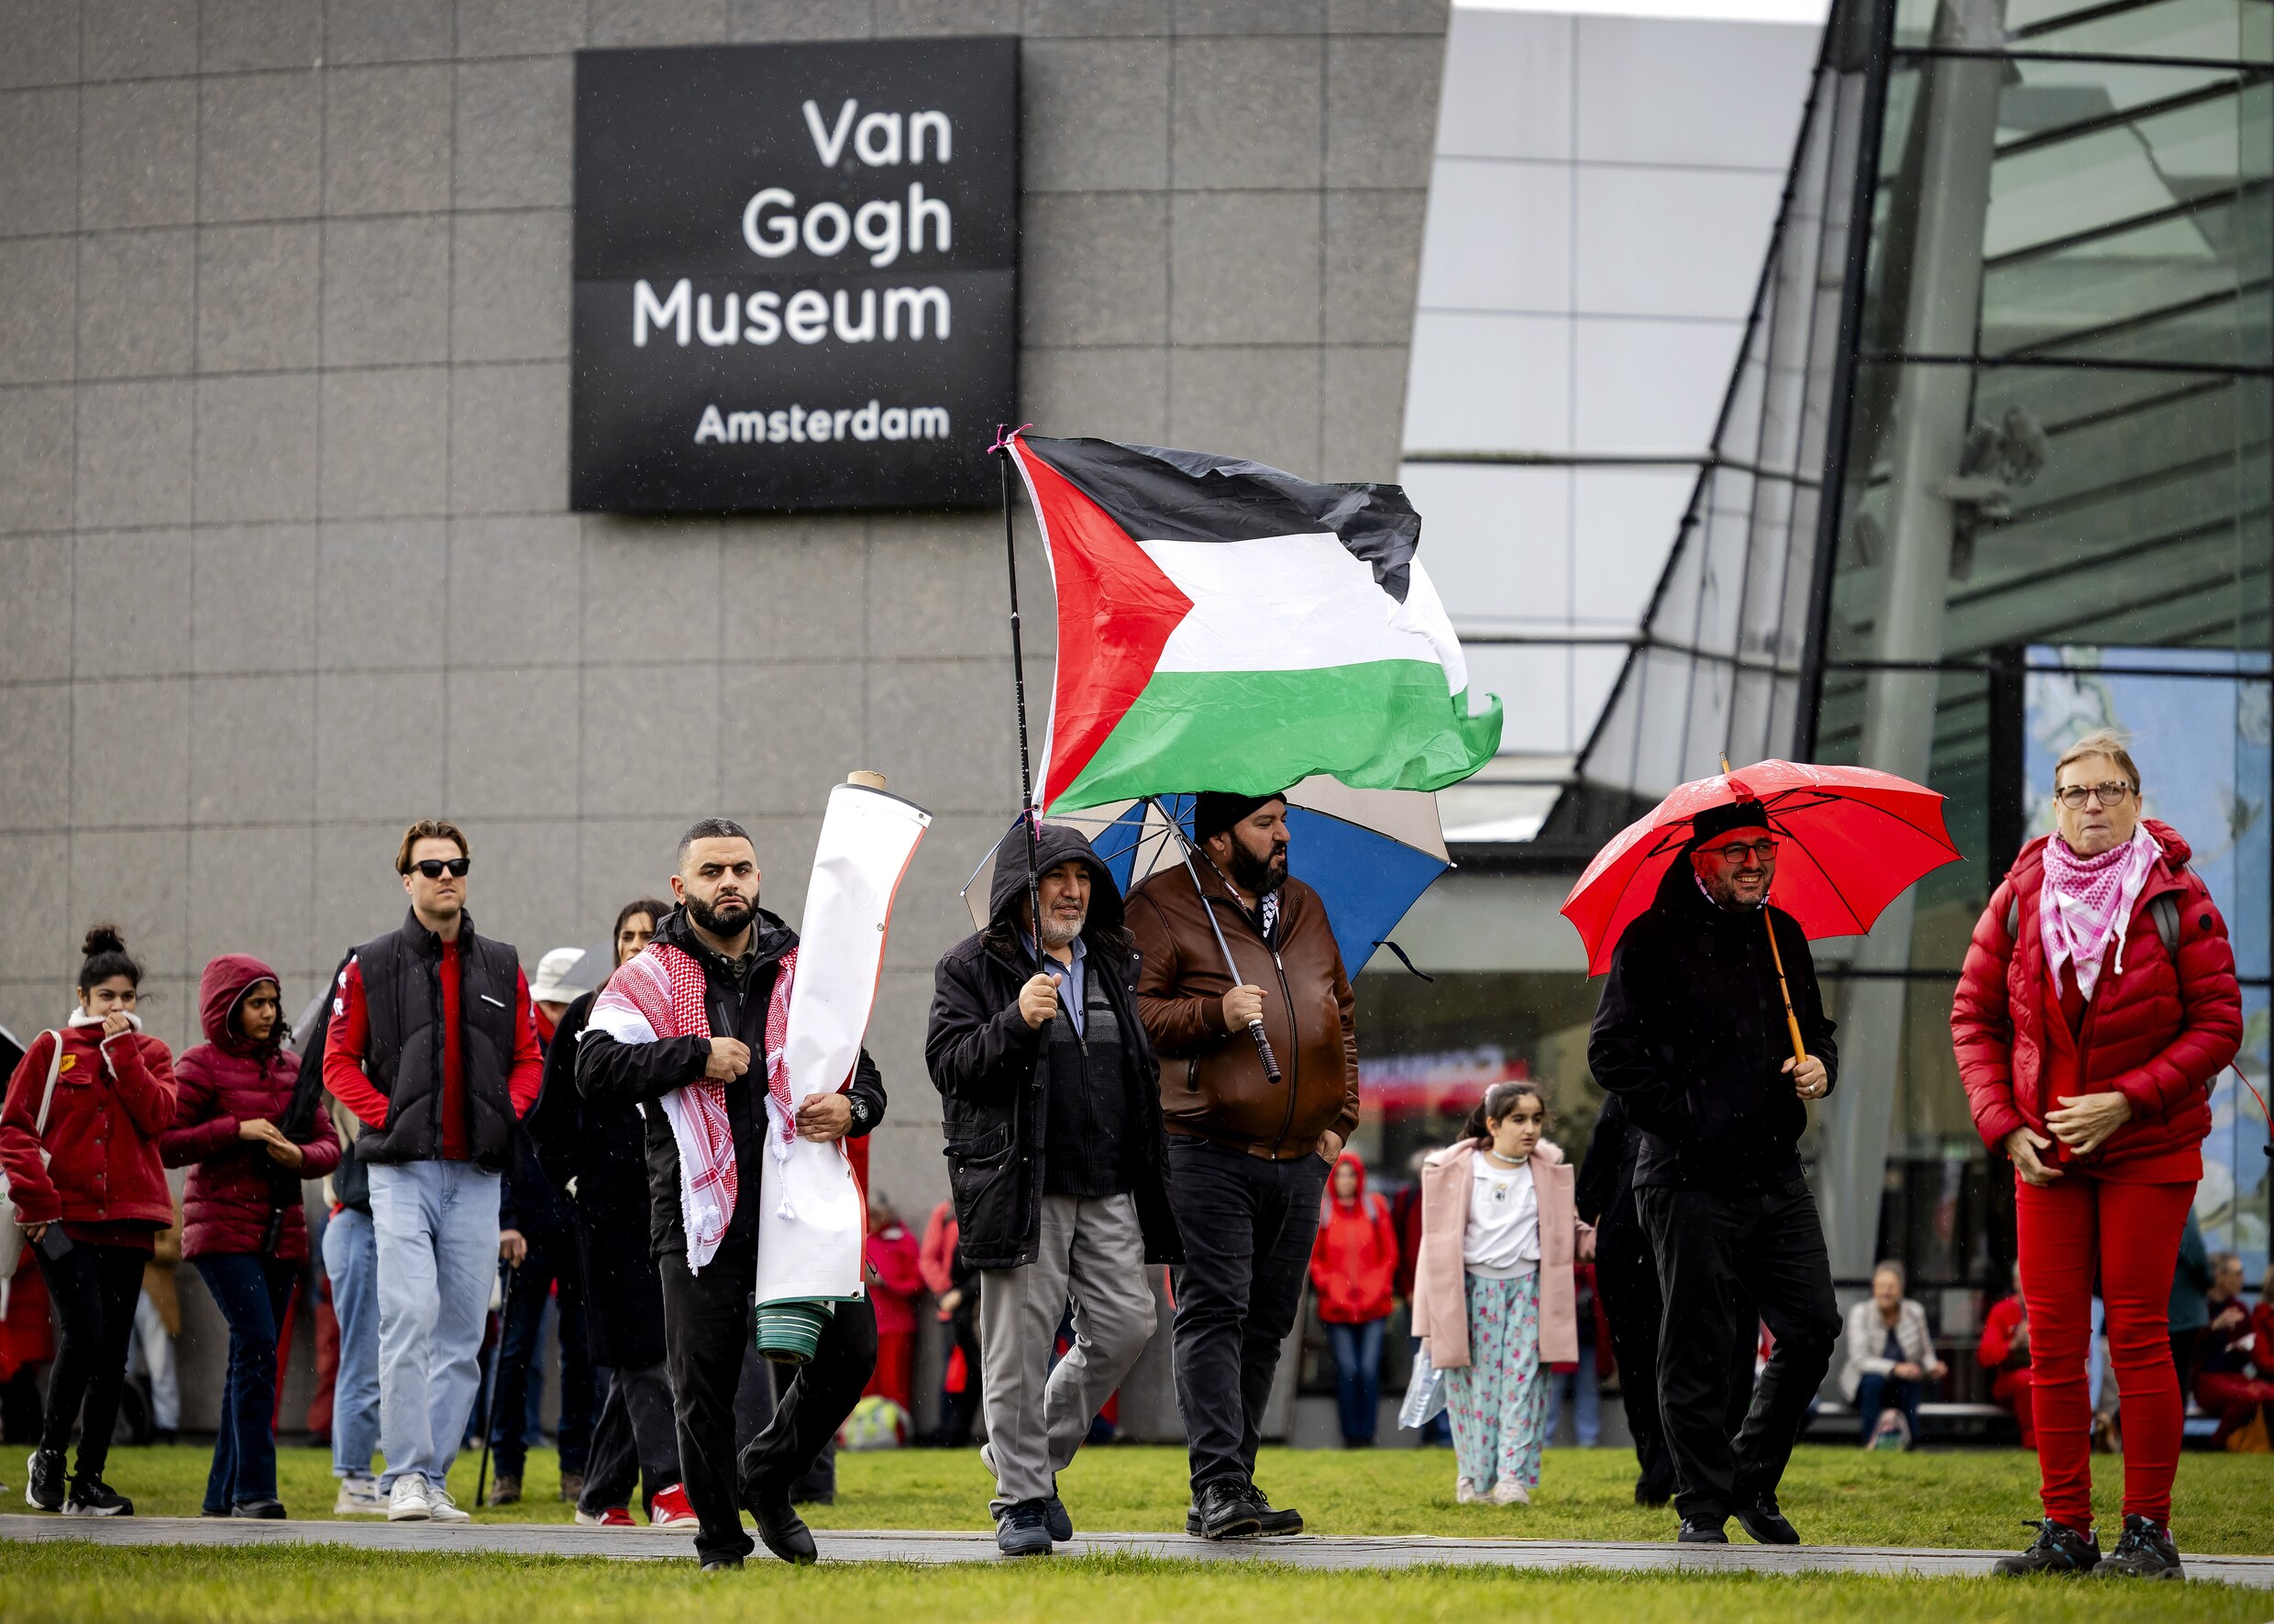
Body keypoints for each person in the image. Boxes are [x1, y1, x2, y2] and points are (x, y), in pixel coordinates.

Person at [1952, 730, 2241, 1578]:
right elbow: (1975, 1017)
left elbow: (2219, 1023)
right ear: (2055, 803)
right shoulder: (2017, 896)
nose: (2092, 804)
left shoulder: (2178, 895)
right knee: (2053, 1344)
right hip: (2044, 1155)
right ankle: (2066, 1530)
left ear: (2136, 800)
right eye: (2075, 791)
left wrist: (2128, 1098)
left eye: (2109, 789)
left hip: (2149, 1145)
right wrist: (2003, 1124)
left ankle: (2148, 1534)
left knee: (2141, 1336)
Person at [579, 820, 886, 1571]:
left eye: (742, 868)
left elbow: (865, 1075)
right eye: (712, 870)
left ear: (758, 879)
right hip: (696, 1210)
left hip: (797, 1209)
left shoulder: (801, 969)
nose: (730, 881)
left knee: (852, 1349)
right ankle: (721, 1540)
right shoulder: (649, 975)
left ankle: (769, 1473)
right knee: (702, 1386)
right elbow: (593, 1069)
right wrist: (693, 1055)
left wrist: (854, 1110)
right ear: (682, 889)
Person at [1588, 799, 1841, 1546]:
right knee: (1695, 1344)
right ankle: (1702, 1504)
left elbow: (1819, 1027)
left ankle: (1750, 1475)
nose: (1753, 863)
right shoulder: (1652, 939)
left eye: (1764, 848)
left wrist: (1821, 1064)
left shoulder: (1782, 932)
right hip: (1687, 1176)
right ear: (1701, 859)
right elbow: (1610, 1053)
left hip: (1775, 1171)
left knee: (1814, 1325)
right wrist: (1692, 1116)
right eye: (1736, 850)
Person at [926, 822, 1180, 1555]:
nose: (1073, 890)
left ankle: (1021, 1454)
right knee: (1017, 1347)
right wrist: (1014, 1020)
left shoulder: (1112, 958)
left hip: (1107, 1182)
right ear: (1020, 887)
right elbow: (950, 1064)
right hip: (1018, 1182)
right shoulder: (970, 967)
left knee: (1129, 1323)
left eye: (1083, 877)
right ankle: (1022, 1496)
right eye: (1055, 876)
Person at [1126, 791, 1358, 1541]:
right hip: (1204, 1150)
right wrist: (1214, 1014)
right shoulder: (1159, 906)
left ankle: (1233, 1485)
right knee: (1214, 1311)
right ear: (1221, 839)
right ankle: (1219, 1481)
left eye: (1284, 819)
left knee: (1266, 1324)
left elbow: (1341, 1013)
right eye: (1267, 823)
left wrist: (1340, 1121)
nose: (1284, 834)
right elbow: (1134, 1016)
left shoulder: (1305, 905)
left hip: (1300, 1157)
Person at [323, 819, 546, 1523]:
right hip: (401, 1171)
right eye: (430, 866)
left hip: (478, 1173)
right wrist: (386, 1113)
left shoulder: (503, 963)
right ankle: (405, 1475)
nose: (446, 874)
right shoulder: (369, 963)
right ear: (407, 878)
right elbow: (336, 1062)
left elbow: (531, 1058)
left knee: (459, 1333)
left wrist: (503, 1112)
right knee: (408, 1314)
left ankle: (433, 1477)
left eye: (456, 864)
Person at [2, 925, 178, 1516]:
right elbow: (14, 1127)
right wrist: (37, 1203)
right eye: (107, 997)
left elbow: (158, 1118)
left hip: (130, 1222)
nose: (119, 1008)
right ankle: (49, 1458)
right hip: (62, 1221)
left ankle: (89, 1482)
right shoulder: (51, 1049)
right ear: (83, 997)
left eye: (128, 998)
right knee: (84, 1334)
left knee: (114, 1353)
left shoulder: (151, 1055)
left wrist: (121, 1050)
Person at [532, 899, 693, 1530]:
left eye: (647, 935)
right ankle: (668, 1487)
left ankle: (599, 1494)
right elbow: (547, 1121)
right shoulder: (586, 1015)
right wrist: (577, 1183)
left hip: (677, 1204)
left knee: (646, 1354)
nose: (634, 945)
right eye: (625, 935)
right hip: (609, 1216)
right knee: (644, 1351)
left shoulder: (687, 1016)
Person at [161, 955, 342, 1518]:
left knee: (248, 1353)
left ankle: (220, 1497)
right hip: (219, 1232)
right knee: (260, 1345)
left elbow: (329, 1145)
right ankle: (255, 1491)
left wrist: (298, 1155)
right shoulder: (199, 1066)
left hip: (280, 1234)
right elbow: (167, 1142)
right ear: (226, 1008)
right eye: (255, 1003)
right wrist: (233, 1131)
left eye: (271, 1002)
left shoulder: (292, 1069)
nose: (268, 1013)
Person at [1410, 1081, 1592, 1504]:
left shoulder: (1548, 1172)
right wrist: (1427, 1321)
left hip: (1530, 1291)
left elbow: (1571, 1231)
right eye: (1519, 1119)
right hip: (1468, 1294)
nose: (1530, 1129)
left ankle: (1511, 1478)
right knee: (1470, 1387)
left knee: (1523, 1386)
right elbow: (1432, 1249)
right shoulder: (1456, 1170)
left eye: (1537, 1119)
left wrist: (1613, 1240)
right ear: (1493, 1124)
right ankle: (1472, 1478)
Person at [487, 945, 599, 1508]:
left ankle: (576, 1467)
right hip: (527, 1226)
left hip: (579, 1222)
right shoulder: (521, 1047)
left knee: (580, 1349)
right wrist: (506, 1220)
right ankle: (507, 1467)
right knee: (516, 1349)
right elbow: (507, 1139)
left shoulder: (589, 1040)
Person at [1308, 1151, 1398, 1448]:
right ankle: (1351, 1435)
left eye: (1352, 1175)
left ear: (1360, 1179)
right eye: (1342, 1175)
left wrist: (1376, 1288)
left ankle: (1367, 1433)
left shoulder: (1375, 1208)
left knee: (1369, 1370)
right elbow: (1316, 1260)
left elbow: (1389, 1255)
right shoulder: (1325, 1212)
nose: (1347, 1181)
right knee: (1348, 1370)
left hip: (1374, 1308)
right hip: (1337, 1309)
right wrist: (1331, 1288)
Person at [1839, 1261, 1945, 1449]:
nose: (1885, 1292)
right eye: (1881, 1286)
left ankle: (1911, 1442)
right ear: (1874, 1289)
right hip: (1865, 1385)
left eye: (1891, 1286)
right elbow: (1860, 1360)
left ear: (1901, 1290)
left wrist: (1933, 1366)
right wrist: (1895, 1368)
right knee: (1874, 1380)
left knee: (1910, 1378)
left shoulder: (1915, 1311)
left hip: (1902, 1382)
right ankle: (1870, 1441)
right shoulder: (1860, 1313)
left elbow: (1926, 1351)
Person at [2191, 1252, 2274, 1447]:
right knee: (2248, 1398)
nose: (2242, 1279)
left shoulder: (2239, 1307)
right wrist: (2213, 1327)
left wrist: (2244, 1347)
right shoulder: (2200, 1308)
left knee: (2267, 1394)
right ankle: (2217, 1444)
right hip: (2207, 1380)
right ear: (2220, 1277)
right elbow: (2188, 1348)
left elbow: (2253, 1354)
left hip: (2235, 1377)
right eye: (2237, 1273)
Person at [917, 1199, 981, 1447]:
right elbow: (928, 1258)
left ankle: (958, 1434)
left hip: (977, 1306)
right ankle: (949, 1432)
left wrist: (963, 1293)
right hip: (953, 1311)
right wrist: (946, 1293)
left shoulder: (984, 1207)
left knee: (976, 1372)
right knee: (955, 1372)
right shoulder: (945, 1212)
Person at [863, 1191, 922, 1422]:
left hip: (896, 1325)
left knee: (894, 1383)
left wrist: (886, 1284)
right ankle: (860, 1433)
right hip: (868, 1326)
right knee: (865, 1385)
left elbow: (917, 1283)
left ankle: (896, 1431)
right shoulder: (865, 1240)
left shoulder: (904, 1241)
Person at [126, 1204, 182, 1445]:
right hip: (121, 1291)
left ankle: (166, 1425)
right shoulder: (120, 1197)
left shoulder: (167, 1201)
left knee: (161, 1366)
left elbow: (176, 1248)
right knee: (120, 1367)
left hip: (154, 1295)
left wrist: (139, 1245)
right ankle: (129, 1426)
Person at [1541, 1258, 1602, 1449]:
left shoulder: (1589, 1272)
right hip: (1560, 1339)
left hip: (1586, 1337)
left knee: (1587, 1390)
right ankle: (1544, 1440)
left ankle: (1588, 1440)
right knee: (1553, 1391)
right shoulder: (1557, 1269)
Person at [1979, 1263, 2037, 1450]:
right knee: (2027, 1380)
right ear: (2015, 1283)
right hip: (2012, 1378)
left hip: (2047, 1374)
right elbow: (1985, 1355)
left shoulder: (2053, 1309)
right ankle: (2034, 1444)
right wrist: (2012, 1345)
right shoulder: (2002, 1310)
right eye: (2025, 1278)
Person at [2169, 1212, 2213, 1387]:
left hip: (2161, 1306)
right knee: (2178, 1374)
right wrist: (2209, 1281)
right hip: (2182, 1312)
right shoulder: (2182, 1199)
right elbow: (2195, 1254)